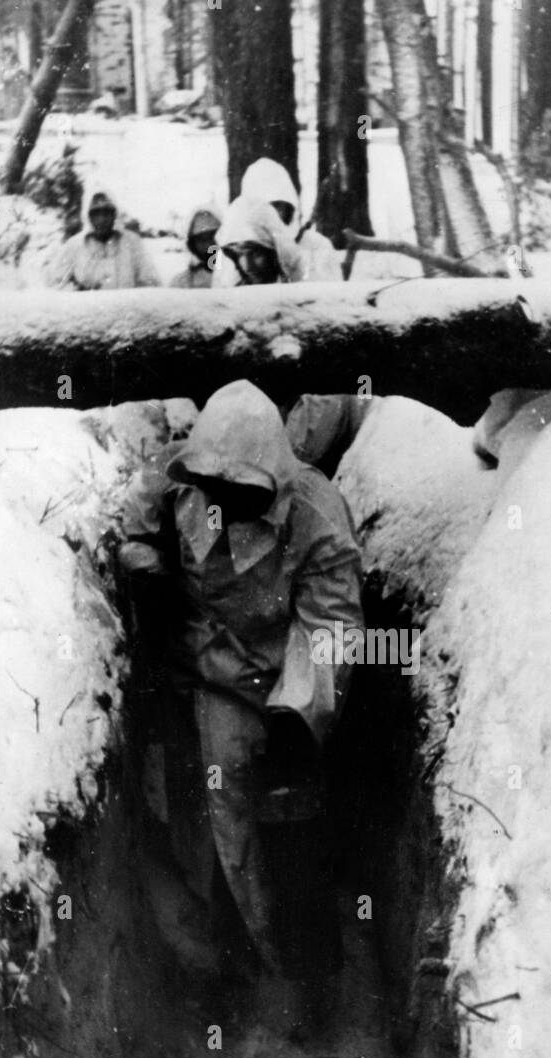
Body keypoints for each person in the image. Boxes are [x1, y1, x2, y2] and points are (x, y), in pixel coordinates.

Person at [119, 381, 363, 1008]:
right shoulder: (178, 480)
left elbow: (331, 625)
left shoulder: (315, 512)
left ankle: (311, 978)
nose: (224, 501)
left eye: (241, 492)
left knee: (285, 827)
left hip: (273, 681)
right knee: (201, 827)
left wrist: (298, 716)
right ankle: (220, 965)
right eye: (216, 489)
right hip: (194, 674)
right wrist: (151, 569)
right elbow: (139, 523)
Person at [241, 157, 342, 282]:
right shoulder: (243, 253)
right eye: (265, 210)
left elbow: (330, 296)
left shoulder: (317, 246)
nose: (272, 216)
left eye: (277, 206)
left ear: (288, 206)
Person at [52, 188, 160, 291]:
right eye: (96, 213)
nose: (102, 219)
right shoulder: (74, 245)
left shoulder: (132, 242)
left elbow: (151, 283)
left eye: (106, 212)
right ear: (88, 216)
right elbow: (56, 283)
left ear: (115, 215)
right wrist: (77, 290)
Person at [214, 196, 306, 286]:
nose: (248, 266)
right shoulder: (233, 297)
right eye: (239, 254)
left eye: (255, 254)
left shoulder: (303, 288)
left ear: (275, 251)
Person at [171, 208, 221, 289]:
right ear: (192, 245)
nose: (209, 245)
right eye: (202, 240)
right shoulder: (181, 283)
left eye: (212, 237)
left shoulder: (237, 277)